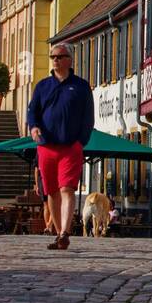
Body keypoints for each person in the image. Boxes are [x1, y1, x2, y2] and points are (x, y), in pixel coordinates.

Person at [27, 42, 94, 251]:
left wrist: (80, 141)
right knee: (52, 192)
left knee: (67, 188)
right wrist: (34, 128)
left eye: (59, 56)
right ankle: (58, 234)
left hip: (70, 147)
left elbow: (88, 117)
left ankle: (65, 231)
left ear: (69, 60)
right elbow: (32, 111)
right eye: (52, 57)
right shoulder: (43, 86)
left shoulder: (81, 86)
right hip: (46, 146)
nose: (55, 60)